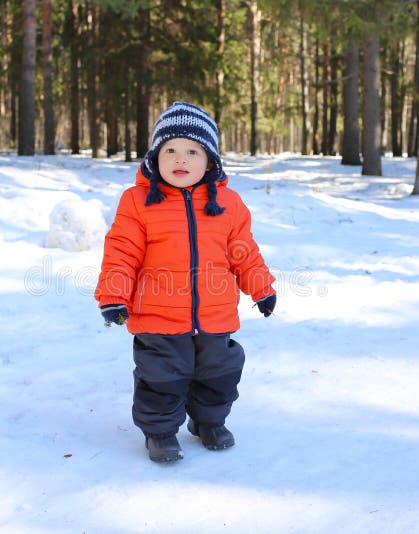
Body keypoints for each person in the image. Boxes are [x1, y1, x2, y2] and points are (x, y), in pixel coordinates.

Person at [94, 102, 276, 463]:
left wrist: (262, 287)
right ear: (154, 159)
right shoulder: (138, 202)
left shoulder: (229, 203)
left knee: (219, 373)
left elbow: (243, 251)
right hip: (158, 315)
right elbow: (122, 251)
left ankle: (209, 422)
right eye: (170, 150)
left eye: (193, 151)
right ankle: (160, 432)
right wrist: (113, 296)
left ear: (209, 161)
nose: (181, 159)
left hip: (215, 313)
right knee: (161, 376)